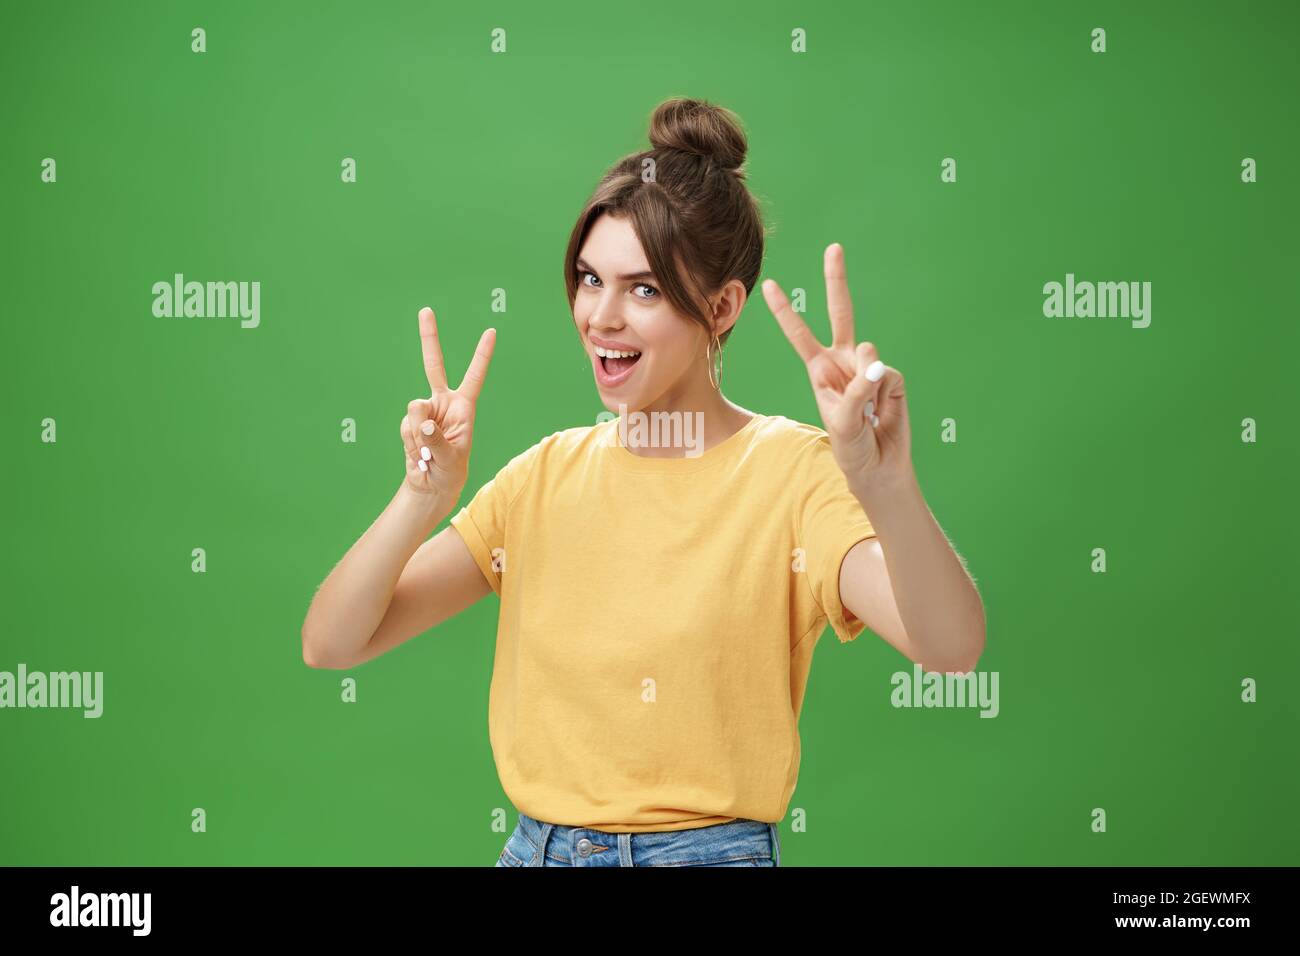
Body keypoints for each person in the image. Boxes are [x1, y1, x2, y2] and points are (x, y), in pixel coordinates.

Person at [301, 97, 986, 867]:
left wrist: (885, 484)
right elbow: (333, 641)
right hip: (537, 851)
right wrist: (421, 498)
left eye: (645, 289)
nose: (602, 316)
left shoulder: (795, 477)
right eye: (590, 279)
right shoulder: (544, 478)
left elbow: (950, 648)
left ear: (723, 307)